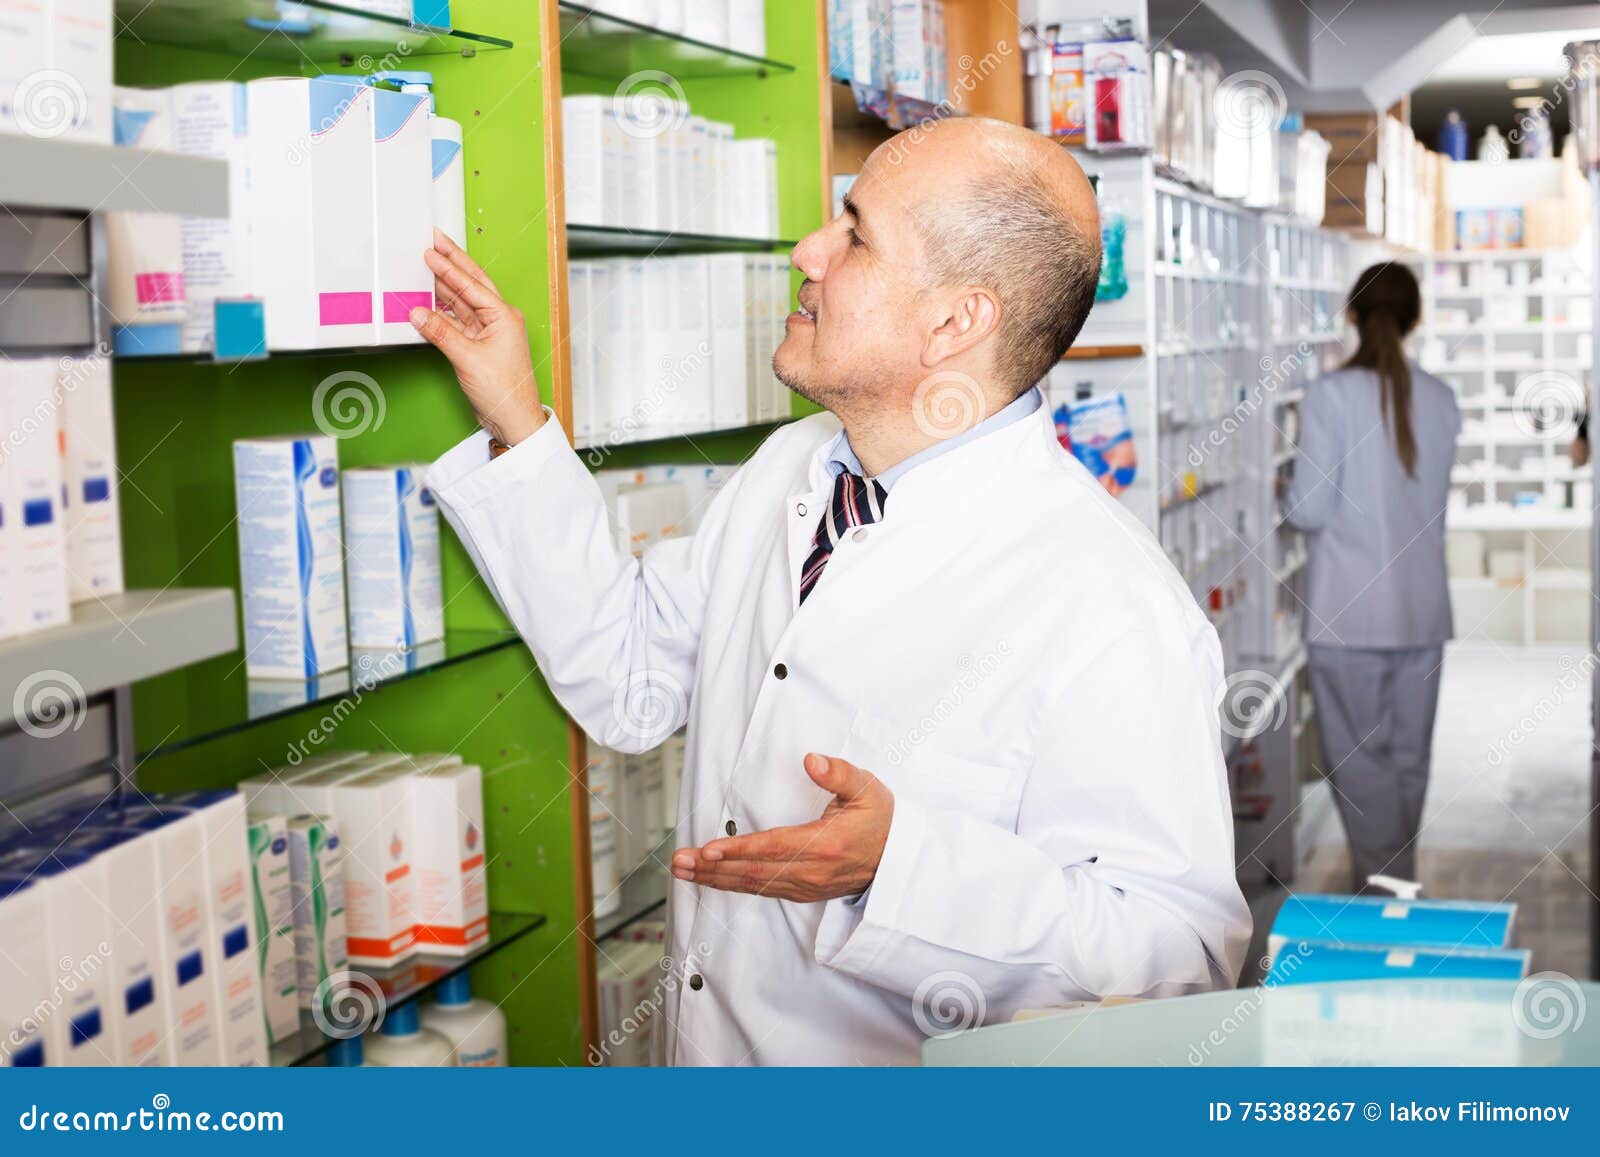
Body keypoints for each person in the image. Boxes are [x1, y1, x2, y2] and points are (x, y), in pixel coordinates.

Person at [411, 116, 1250, 1065]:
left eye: (855, 232)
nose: (808, 251)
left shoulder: (1107, 598)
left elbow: (1180, 961)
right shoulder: (793, 467)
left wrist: (902, 870)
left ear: (955, 321)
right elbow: (631, 677)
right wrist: (517, 415)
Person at [1284, 262, 1460, 893]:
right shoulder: (1442, 399)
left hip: (1346, 618)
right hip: (1421, 615)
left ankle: (1386, 891)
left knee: (1357, 764)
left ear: (1351, 315)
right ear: (1415, 320)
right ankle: (1395, 886)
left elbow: (1310, 510)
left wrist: (1284, 489)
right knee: (1408, 760)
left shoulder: (1329, 396)